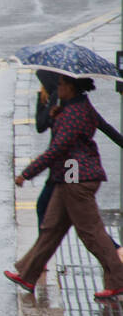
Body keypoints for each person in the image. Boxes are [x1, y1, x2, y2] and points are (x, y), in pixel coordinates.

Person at [7, 76, 123, 302]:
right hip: (68, 176)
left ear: (70, 87)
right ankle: (27, 275)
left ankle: (118, 280)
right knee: (51, 229)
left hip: (77, 178)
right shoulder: (76, 106)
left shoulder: (73, 115)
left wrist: (26, 173)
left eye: (60, 85)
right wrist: (56, 115)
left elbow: (56, 150)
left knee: (91, 233)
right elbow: (103, 127)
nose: (57, 88)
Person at [34, 74, 123, 257]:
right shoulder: (61, 101)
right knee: (76, 219)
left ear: (67, 85)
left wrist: (27, 173)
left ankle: (116, 253)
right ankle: (35, 262)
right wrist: (42, 101)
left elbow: (103, 127)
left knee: (81, 220)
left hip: (70, 170)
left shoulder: (73, 105)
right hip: (63, 169)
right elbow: (41, 125)